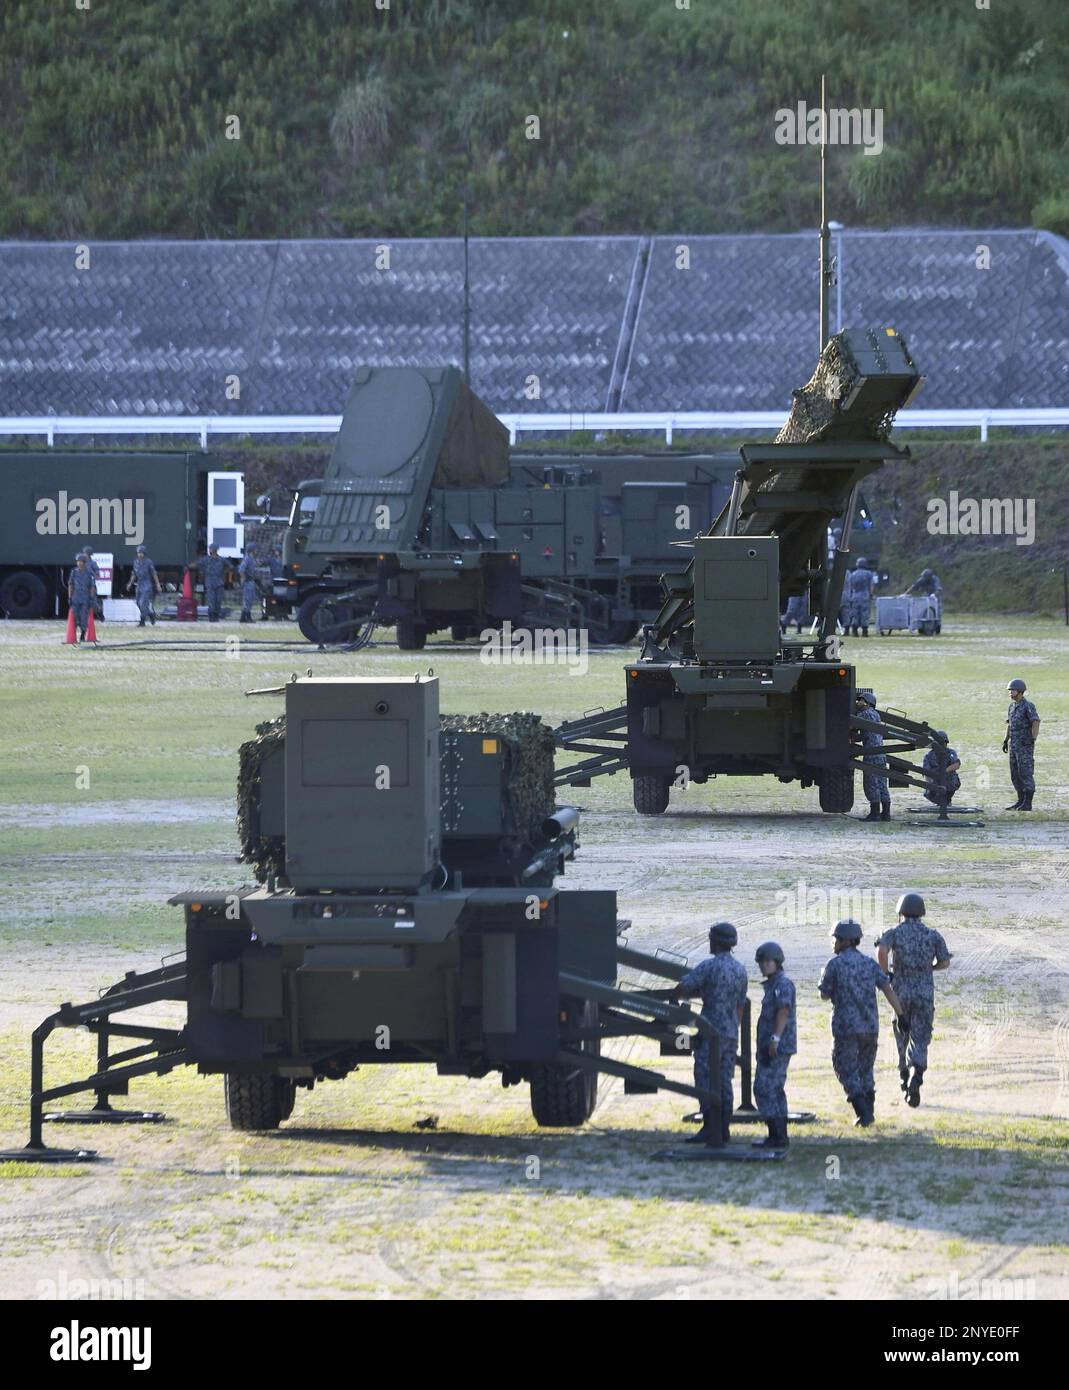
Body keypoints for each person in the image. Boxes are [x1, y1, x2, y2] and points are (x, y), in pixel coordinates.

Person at [819, 919, 903, 1127]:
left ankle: (862, 1112)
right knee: (866, 1069)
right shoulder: (869, 963)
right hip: (870, 1028)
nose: (833, 943)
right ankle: (869, 1112)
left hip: (846, 1029)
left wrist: (824, 978)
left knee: (844, 1068)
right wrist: (901, 1015)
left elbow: (824, 995)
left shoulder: (834, 965)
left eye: (836, 939)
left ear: (844, 941)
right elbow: (887, 989)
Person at [672, 922, 748, 1145]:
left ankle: (709, 1126)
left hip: (710, 1032)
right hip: (730, 1033)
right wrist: (733, 1027)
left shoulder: (709, 967)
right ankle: (723, 1128)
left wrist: (674, 998)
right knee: (724, 1080)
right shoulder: (740, 970)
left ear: (715, 941)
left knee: (704, 1077)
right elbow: (740, 1006)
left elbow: (683, 987)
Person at [876, 893, 952, 1108]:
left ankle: (903, 1076)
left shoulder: (894, 932)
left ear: (901, 912)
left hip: (899, 994)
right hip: (924, 994)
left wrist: (886, 974)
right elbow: (945, 962)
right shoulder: (933, 935)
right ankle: (915, 1075)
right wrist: (931, 968)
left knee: (901, 1033)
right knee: (920, 1037)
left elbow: (881, 949)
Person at [752, 941, 795, 1151]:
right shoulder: (774, 984)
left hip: (777, 1046)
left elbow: (784, 1011)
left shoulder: (781, 985)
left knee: (764, 1088)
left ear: (777, 962)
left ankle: (777, 1135)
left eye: (767, 961)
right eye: (761, 962)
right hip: (773, 1045)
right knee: (773, 1090)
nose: (763, 966)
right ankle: (777, 1136)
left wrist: (775, 1039)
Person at [853, 689, 890, 822]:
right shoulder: (876, 715)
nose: (858, 702)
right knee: (881, 783)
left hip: (871, 753)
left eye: (861, 700)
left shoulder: (865, 714)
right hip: (880, 753)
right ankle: (886, 814)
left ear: (867, 703)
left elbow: (851, 723)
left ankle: (874, 814)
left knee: (871, 783)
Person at [1003, 678, 1040, 811]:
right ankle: (1020, 801)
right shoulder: (1012, 706)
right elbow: (1010, 724)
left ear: (1020, 692)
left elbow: (1035, 721)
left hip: (1024, 745)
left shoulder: (1028, 705)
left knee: (1025, 773)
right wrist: (1006, 739)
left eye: (1012, 690)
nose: (1010, 693)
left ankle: (1027, 803)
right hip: (1014, 745)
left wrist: (1033, 738)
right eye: (1010, 690)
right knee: (1015, 774)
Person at [195, 543, 234, 622]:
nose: (209, 550)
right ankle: (211, 616)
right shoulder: (206, 559)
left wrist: (224, 572)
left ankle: (216, 616)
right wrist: (188, 566)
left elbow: (231, 567)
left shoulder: (222, 560)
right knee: (211, 600)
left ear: (214, 550)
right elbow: (197, 564)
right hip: (210, 583)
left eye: (210, 548)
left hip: (219, 583)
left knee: (218, 601)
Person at [922, 732, 961, 808]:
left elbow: (956, 764)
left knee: (953, 783)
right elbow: (926, 772)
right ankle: (940, 801)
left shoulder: (950, 753)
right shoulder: (929, 756)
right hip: (934, 780)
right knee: (930, 793)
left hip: (948, 779)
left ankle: (946, 801)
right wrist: (931, 783)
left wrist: (944, 772)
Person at [126, 546, 161, 627]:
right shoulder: (136, 562)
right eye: (138, 553)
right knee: (138, 602)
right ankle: (151, 614)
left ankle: (142, 621)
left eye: (141, 553)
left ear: (144, 554)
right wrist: (130, 584)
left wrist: (158, 584)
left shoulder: (148, 562)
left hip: (147, 584)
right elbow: (134, 574)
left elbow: (154, 573)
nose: (140, 554)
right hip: (139, 584)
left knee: (143, 603)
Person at [844, 556, 878, 637]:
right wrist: (871, 594)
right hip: (865, 596)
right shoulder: (869, 574)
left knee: (855, 614)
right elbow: (871, 586)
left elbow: (851, 586)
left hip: (855, 596)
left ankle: (854, 631)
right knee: (865, 614)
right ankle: (864, 632)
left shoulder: (853, 574)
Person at [67, 554, 97, 642]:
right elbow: (71, 585)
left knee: (84, 616)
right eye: (78, 562)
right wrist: (70, 597)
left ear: (84, 563)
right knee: (75, 616)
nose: (79, 563)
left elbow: (92, 586)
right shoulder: (74, 572)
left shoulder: (89, 573)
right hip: (76, 597)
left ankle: (83, 633)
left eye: (81, 562)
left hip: (85, 598)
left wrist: (91, 597)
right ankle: (74, 635)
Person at [238, 549, 260, 623]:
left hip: (251, 581)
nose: (256, 551)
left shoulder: (251, 559)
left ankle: (244, 617)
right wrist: (243, 579)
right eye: (255, 549)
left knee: (249, 600)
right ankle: (247, 617)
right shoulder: (247, 559)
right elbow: (241, 570)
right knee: (248, 599)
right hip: (248, 581)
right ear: (252, 550)